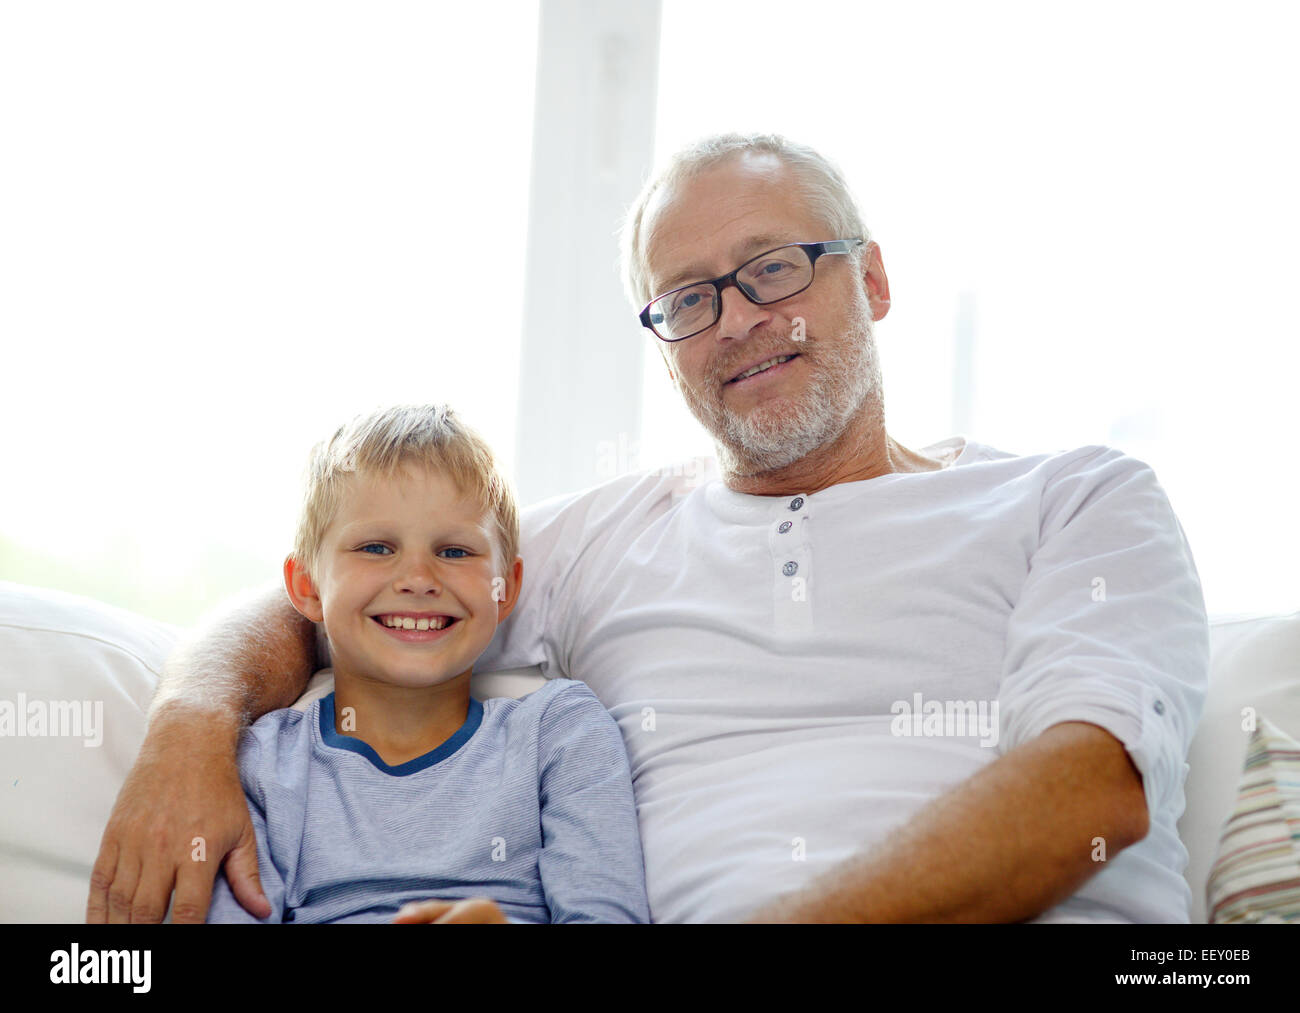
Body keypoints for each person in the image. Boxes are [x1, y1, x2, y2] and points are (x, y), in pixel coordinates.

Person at [88, 132, 1208, 924]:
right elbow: (336, 598)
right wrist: (190, 727)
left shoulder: (1079, 497)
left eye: (774, 267)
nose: (738, 321)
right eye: (687, 299)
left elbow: (1091, 786)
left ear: (868, 278)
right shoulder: (597, 542)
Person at [204, 403, 648, 923]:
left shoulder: (559, 733)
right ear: (307, 586)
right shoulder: (263, 763)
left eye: (456, 552)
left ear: (508, 589)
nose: (418, 577)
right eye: (375, 547)